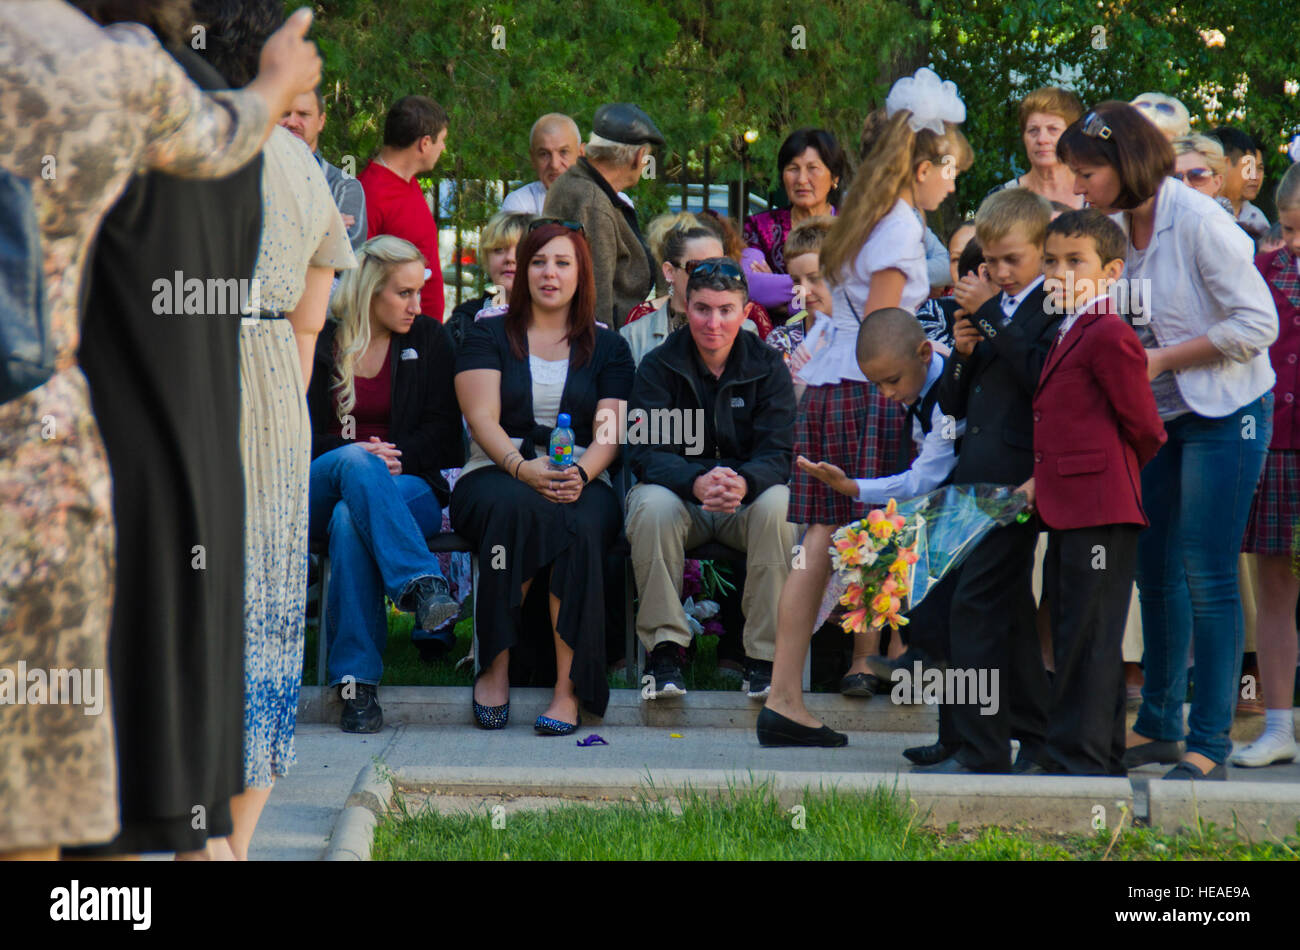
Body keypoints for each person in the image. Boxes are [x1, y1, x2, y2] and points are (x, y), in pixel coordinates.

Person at [0, 0, 318, 862]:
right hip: (38, 463)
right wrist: (278, 83)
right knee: (37, 802)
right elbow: (224, 135)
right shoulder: (112, 69)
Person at [1060, 101, 1278, 780]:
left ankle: (1209, 743)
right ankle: (1158, 722)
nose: (1077, 189)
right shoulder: (1119, 228)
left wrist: (1160, 361)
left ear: (1123, 164)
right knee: (1152, 572)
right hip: (1160, 419)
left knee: (1206, 573)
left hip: (1230, 411)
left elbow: (1258, 323)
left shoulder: (1201, 221)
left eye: (1087, 173)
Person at [759, 67, 971, 746]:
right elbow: (883, 332)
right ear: (925, 164)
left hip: (832, 379)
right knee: (848, 537)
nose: (954, 184)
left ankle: (787, 693)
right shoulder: (900, 227)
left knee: (819, 541)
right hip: (864, 386)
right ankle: (816, 683)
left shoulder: (872, 213)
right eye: (951, 171)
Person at [190, 0, 358, 860]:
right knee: (265, 617)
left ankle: (200, 839)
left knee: (190, 611)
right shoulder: (302, 163)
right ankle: (235, 843)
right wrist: (282, 417)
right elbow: (308, 321)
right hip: (273, 401)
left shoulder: (190, 139)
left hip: (189, 377)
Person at [453, 221, 635, 733]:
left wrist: (578, 472)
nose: (548, 273)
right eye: (538, 261)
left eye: (562, 263)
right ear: (522, 269)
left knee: (577, 517)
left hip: (582, 474)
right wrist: (520, 467)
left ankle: (568, 689)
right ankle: (495, 665)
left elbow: (608, 432)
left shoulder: (609, 347)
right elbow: (482, 419)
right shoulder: (486, 333)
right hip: (495, 468)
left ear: (582, 274)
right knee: (520, 505)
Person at [919, 186, 1060, 774]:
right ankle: (1033, 734)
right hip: (971, 478)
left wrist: (988, 320)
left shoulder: (1051, 306)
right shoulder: (990, 311)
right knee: (999, 613)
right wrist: (962, 350)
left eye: (1011, 260)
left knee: (974, 607)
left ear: (1041, 252)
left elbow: (1039, 376)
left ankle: (983, 750)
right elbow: (950, 405)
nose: (999, 272)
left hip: (1016, 484)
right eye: (990, 261)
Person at [1021, 209, 1166, 775]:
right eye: (1051, 260)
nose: (1060, 272)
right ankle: (1100, 752)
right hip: (1070, 509)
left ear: (1110, 272)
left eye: (1075, 261)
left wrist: (1102, 473)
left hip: (1100, 509)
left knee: (1090, 636)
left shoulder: (1108, 331)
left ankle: (1078, 756)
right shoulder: (1069, 326)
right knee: (1076, 630)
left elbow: (1145, 426)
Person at [307, 236, 463, 732]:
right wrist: (357, 453)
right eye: (404, 294)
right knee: (355, 462)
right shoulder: (320, 341)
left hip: (407, 486)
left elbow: (445, 436)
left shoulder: (432, 341)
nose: (417, 305)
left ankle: (357, 688)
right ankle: (423, 584)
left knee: (351, 522)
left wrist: (395, 458)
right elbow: (299, 432)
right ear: (370, 290)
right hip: (326, 476)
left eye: (419, 292)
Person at [625, 259, 797, 701]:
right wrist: (698, 480)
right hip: (684, 499)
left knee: (780, 506)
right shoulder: (659, 365)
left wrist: (742, 482)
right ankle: (666, 654)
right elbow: (644, 452)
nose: (713, 322)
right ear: (685, 306)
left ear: (745, 312)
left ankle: (762, 660)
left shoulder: (767, 365)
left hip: (746, 501)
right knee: (650, 506)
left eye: (725, 310)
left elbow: (780, 452)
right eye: (703, 309)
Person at [795, 308, 965, 748]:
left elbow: (923, 477)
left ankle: (929, 678)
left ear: (925, 353)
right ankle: (948, 731)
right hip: (945, 506)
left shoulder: (948, 393)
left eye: (893, 381)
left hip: (971, 507)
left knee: (957, 623)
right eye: (878, 385)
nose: (887, 394)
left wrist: (854, 486)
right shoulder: (917, 386)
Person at [1233, 162, 1300, 768]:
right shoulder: (1264, 270)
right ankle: (1278, 726)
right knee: (1276, 589)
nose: (1295, 244)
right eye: (1287, 230)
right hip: (1278, 444)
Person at [543, 103, 663, 329]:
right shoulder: (593, 201)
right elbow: (598, 302)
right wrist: (606, 355)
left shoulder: (574, 184)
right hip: (599, 344)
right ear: (639, 157)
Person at [358, 95, 449, 322]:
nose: (443, 148)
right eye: (442, 140)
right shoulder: (370, 192)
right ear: (425, 143)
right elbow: (359, 275)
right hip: (394, 334)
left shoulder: (409, 183)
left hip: (422, 332)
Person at [621, 223, 761, 365]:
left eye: (720, 266)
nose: (712, 277)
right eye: (697, 268)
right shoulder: (634, 335)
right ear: (669, 272)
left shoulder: (745, 330)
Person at [741, 129, 845, 310]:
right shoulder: (759, 227)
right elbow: (750, 285)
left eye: (813, 168)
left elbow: (857, 290)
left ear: (834, 177)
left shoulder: (851, 230)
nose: (802, 179)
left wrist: (776, 285)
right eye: (793, 169)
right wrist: (823, 285)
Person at [280, 88, 368, 250]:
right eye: (285, 114)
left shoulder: (343, 185)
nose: (292, 122)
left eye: (303, 114)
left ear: (321, 121)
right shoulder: (252, 177)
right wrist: (324, 226)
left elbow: (347, 247)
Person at [446, 211, 533, 350]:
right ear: (487, 258)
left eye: (520, 250)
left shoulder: (558, 320)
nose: (510, 258)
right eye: (499, 250)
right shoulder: (462, 323)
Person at [987, 87, 1085, 210]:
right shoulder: (1000, 200)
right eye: (1033, 130)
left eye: (1053, 129)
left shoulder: (1097, 196)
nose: (1042, 139)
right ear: (1023, 137)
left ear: (1072, 136)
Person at [765, 215, 835, 376]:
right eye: (796, 281)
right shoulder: (782, 341)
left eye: (814, 278)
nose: (803, 290)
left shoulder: (862, 338)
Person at [501, 113, 583, 215]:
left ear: (581, 154)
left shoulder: (600, 201)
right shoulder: (519, 204)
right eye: (544, 154)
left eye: (563, 152)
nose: (554, 165)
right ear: (533, 159)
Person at [1210, 126, 1270, 239]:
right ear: (1224, 165)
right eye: (1248, 168)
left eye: (1260, 168)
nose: (1255, 177)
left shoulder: (1257, 218)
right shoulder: (1203, 212)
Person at [1171, 134, 1233, 213]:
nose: (1185, 184)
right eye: (1176, 178)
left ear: (1217, 182)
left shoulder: (1229, 225)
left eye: (1196, 175)